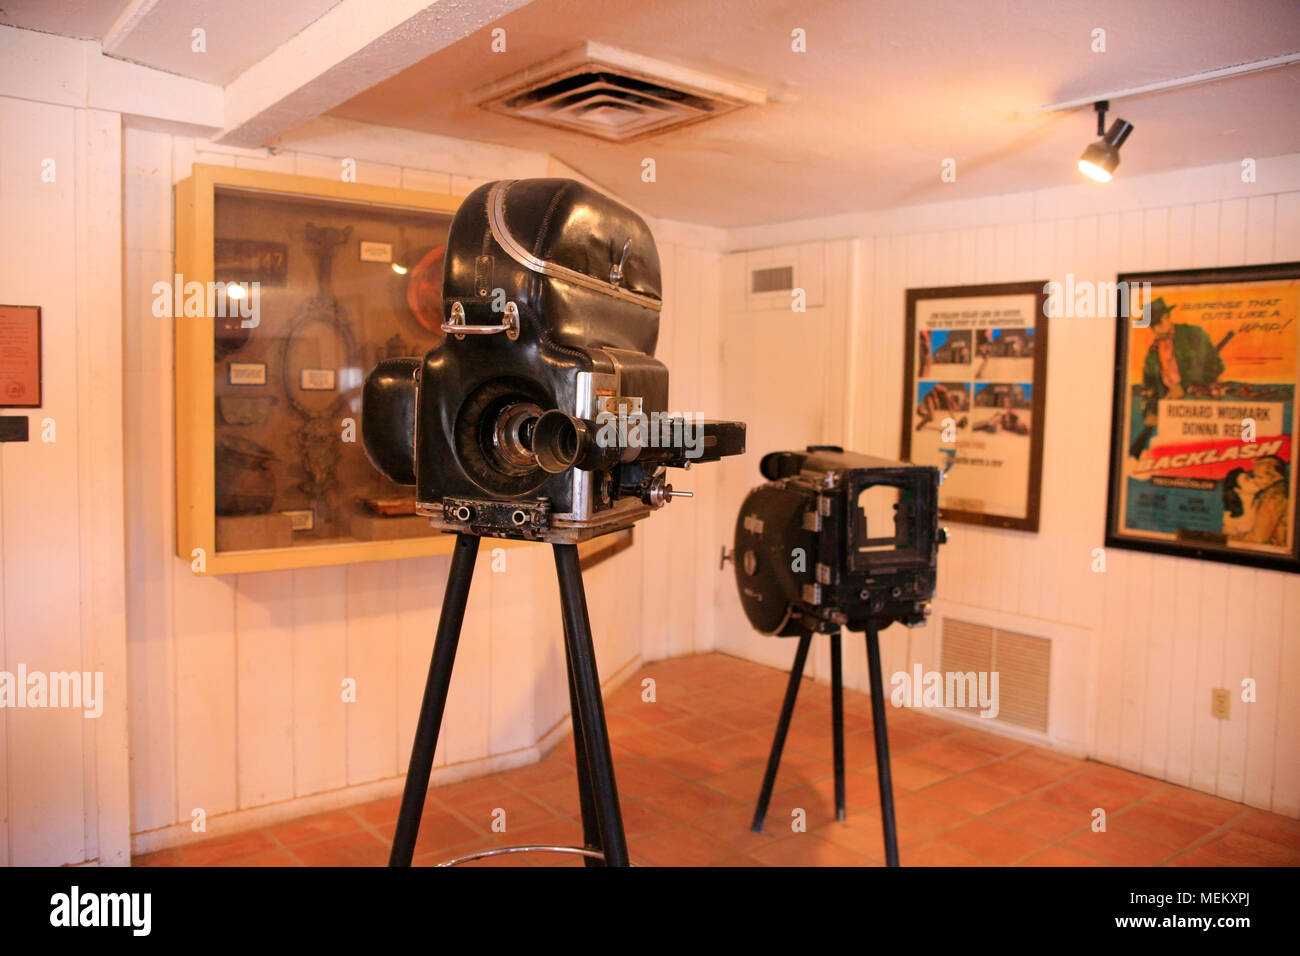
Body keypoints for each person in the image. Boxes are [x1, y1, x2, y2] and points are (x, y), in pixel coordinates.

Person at [1140, 298, 1225, 429]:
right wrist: (1150, 412)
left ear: (1167, 317)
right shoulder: (1152, 353)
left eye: (1158, 323)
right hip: (1172, 413)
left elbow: (1215, 366)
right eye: (1151, 326)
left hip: (1202, 406)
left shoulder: (1193, 334)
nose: (1155, 330)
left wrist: (1184, 386)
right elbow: (1149, 387)